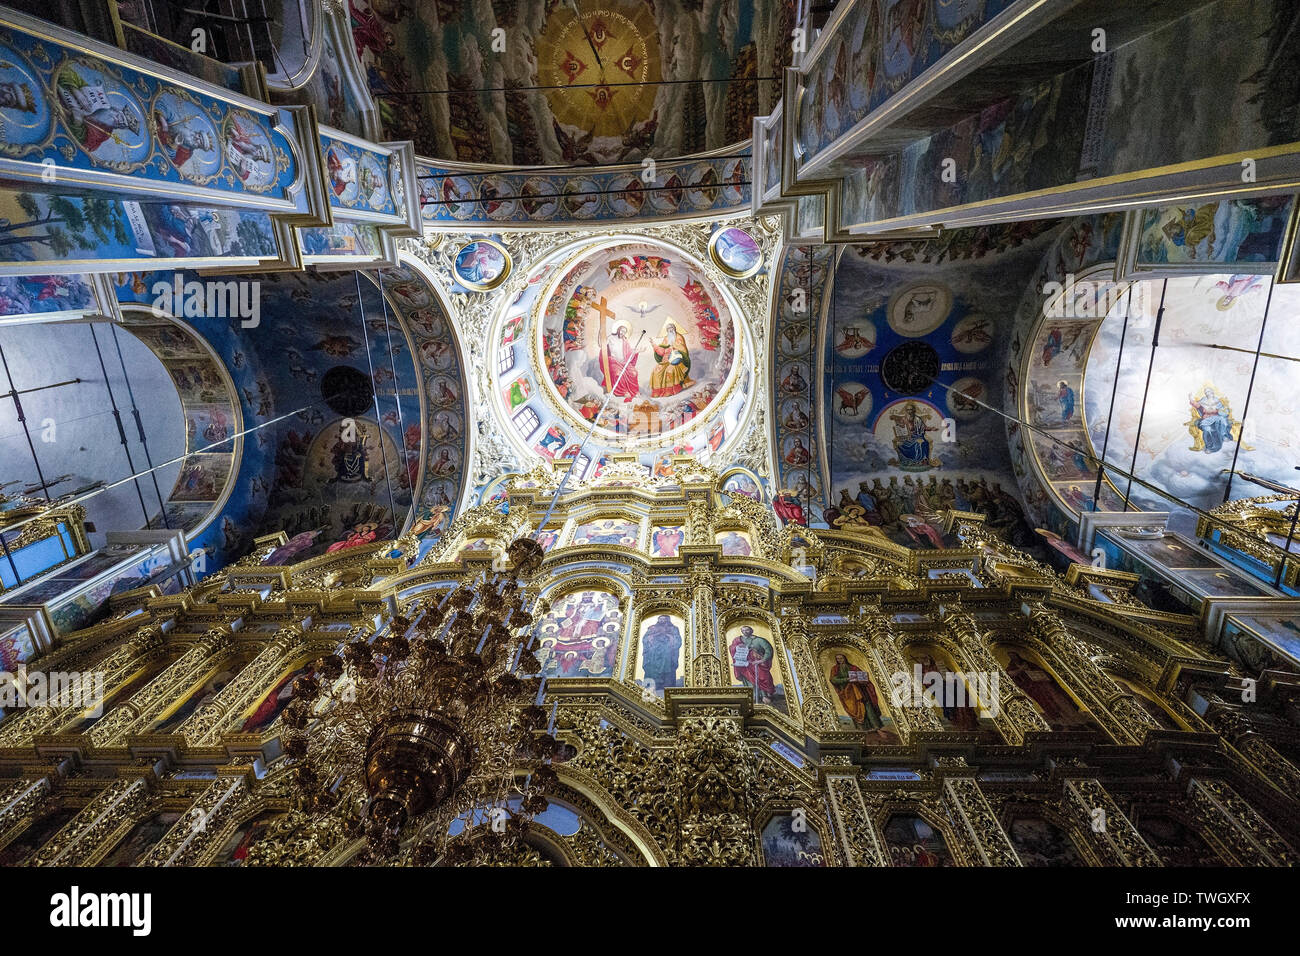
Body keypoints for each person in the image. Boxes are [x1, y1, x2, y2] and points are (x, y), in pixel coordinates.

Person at [827, 653, 883, 729]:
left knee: (867, 706)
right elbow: (833, 679)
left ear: (845, 658)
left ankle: (875, 726)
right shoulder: (835, 669)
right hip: (847, 692)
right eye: (838, 659)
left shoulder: (853, 667)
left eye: (841, 658)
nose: (840, 660)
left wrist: (861, 680)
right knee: (854, 709)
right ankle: (862, 729)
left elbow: (863, 677)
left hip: (859, 690)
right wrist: (847, 679)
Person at [730, 625, 775, 704]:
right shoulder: (738, 640)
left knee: (762, 678)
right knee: (748, 679)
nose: (745, 632)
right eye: (743, 630)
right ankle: (753, 695)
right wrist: (737, 647)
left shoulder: (759, 640)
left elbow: (769, 650)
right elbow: (732, 648)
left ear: (751, 630)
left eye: (747, 630)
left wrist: (761, 660)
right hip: (745, 665)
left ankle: (764, 695)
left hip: (758, 664)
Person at [650, 319, 694, 397]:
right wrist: (654, 345)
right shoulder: (666, 339)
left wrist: (674, 348)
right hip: (665, 361)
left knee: (669, 371)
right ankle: (657, 391)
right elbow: (662, 350)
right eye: (668, 329)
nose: (670, 330)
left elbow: (683, 350)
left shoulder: (679, 337)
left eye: (671, 328)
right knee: (656, 370)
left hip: (677, 360)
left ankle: (670, 390)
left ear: (674, 329)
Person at [599, 319, 640, 402]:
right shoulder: (611, 338)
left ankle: (634, 391)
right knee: (617, 374)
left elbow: (629, 352)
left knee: (634, 373)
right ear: (618, 330)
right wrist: (600, 333)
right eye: (622, 331)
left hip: (624, 362)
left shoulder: (625, 341)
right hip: (614, 361)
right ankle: (622, 392)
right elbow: (601, 345)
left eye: (624, 332)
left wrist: (636, 351)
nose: (623, 333)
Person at [640, 615, 683, 692]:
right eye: (661, 619)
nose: (662, 621)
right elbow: (645, 639)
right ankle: (652, 683)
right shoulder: (652, 628)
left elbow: (677, 639)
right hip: (654, 651)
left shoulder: (673, 628)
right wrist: (651, 638)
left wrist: (669, 637)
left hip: (667, 650)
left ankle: (667, 684)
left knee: (667, 663)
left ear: (668, 620)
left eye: (664, 619)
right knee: (652, 665)